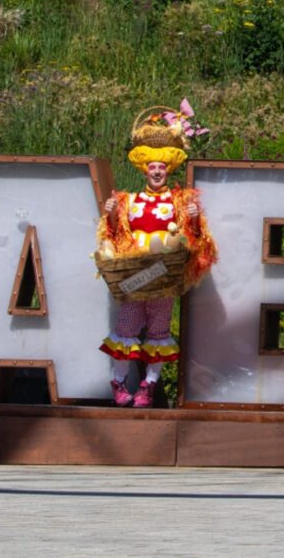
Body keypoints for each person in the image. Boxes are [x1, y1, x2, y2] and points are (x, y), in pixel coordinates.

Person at [94, 103, 218, 407]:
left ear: (168, 168)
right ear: (145, 168)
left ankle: (149, 386)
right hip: (137, 273)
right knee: (126, 326)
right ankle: (119, 382)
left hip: (164, 272)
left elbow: (195, 240)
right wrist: (110, 215)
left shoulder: (180, 200)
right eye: (153, 167)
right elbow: (114, 237)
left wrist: (190, 217)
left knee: (159, 329)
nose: (158, 171)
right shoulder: (129, 200)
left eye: (162, 167)